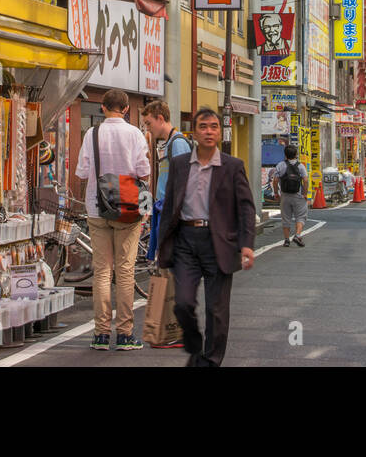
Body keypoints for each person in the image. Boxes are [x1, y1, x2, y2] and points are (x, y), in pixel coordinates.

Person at [157, 107, 257, 367]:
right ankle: (194, 345)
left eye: (213, 126)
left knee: (217, 310)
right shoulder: (179, 164)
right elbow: (170, 205)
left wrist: (246, 244)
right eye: (203, 127)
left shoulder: (232, 166)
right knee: (182, 303)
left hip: (219, 242)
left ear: (218, 130)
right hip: (185, 240)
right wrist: (160, 245)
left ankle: (210, 360)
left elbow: (246, 206)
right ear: (195, 132)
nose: (209, 132)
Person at [74, 89, 151, 352]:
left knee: (103, 272)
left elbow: (82, 172)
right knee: (126, 271)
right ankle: (126, 334)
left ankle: (101, 334)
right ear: (126, 108)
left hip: (97, 208)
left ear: (104, 108)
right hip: (128, 210)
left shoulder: (92, 133)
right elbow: (144, 171)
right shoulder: (135, 134)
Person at [143, 99, 193, 261]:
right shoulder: (169, 143)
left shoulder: (177, 143)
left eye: (149, 123)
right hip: (166, 209)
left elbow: (184, 182)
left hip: (171, 211)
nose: (147, 129)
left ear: (160, 119)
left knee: (170, 267)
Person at [271, 144, 309, 247]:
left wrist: (276, 192)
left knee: (285, 217)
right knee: (301, 216)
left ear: (285, 155)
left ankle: (287, 240)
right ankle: (297, 235)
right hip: (298, 195)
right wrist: (305, 194)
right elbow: (305, 180)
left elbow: (275, 180)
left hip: (285, 195)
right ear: (296, 154)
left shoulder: (281, 165)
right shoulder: (301, 166)